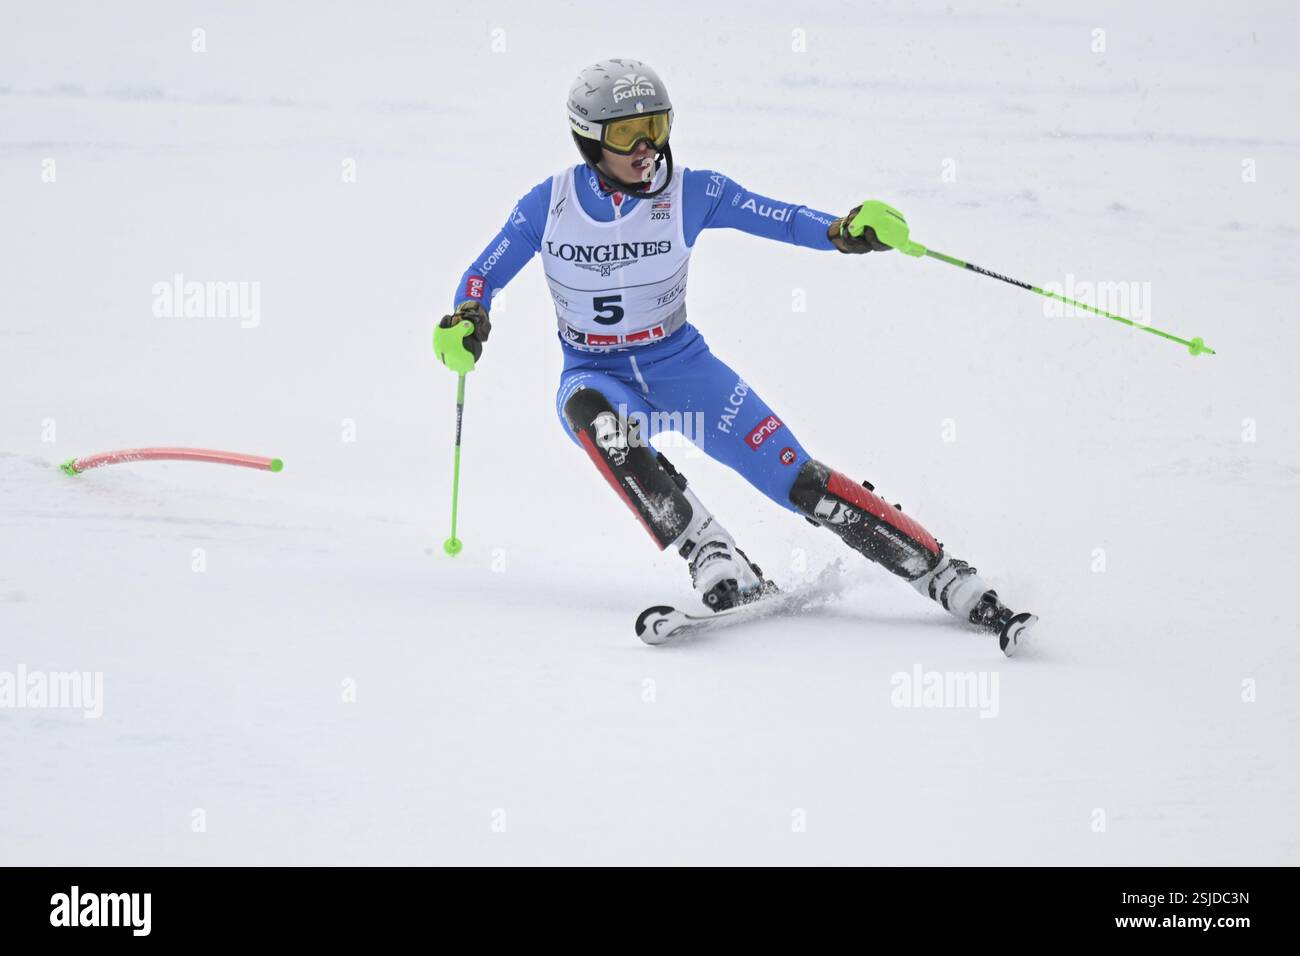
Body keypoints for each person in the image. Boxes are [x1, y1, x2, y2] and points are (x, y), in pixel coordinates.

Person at [434, 58, 1035, 654]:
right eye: (626, 134)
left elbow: (783, 218)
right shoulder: (550, 204)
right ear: (589, 140)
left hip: (685, 371)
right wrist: (468, 316)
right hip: (597, 374)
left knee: (800, 482)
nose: (647, 147)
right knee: (596, 418)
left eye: (658, 126)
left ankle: (941, 571)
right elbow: (482, 273)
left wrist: (843, 230)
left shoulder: (693, 192)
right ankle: (708, 549)